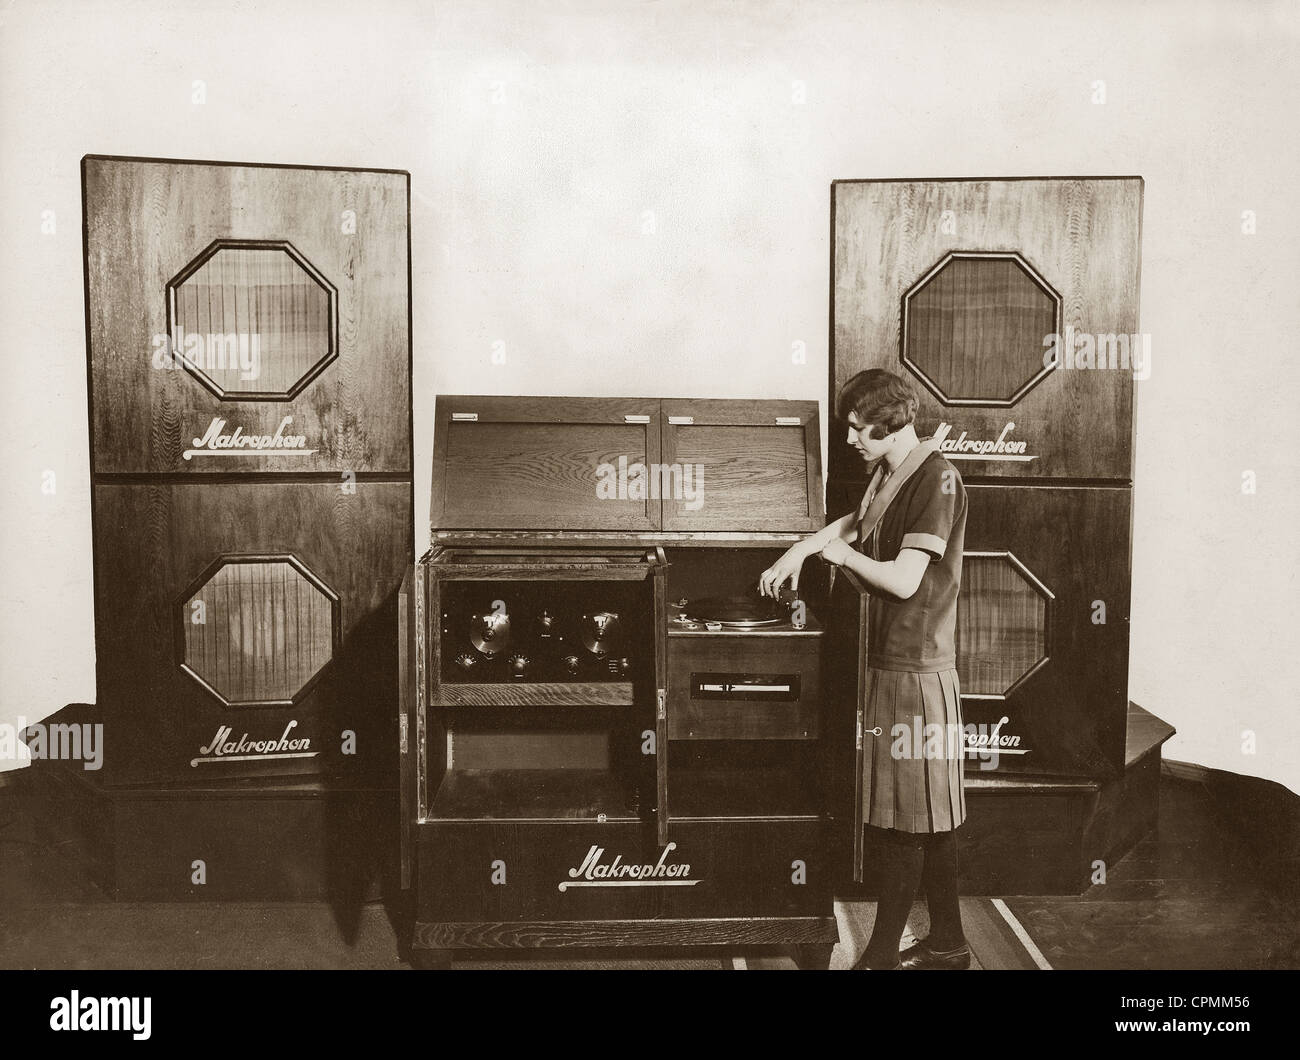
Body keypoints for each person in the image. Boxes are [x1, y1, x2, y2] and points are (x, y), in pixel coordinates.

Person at [759, 368, 970, 970]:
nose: (850, 438)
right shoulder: (891, 469)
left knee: (909, 820)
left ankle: (879, 958)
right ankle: (950, 944)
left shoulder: (938, 479)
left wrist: (838, 554)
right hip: (893, 666)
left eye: (858, 428)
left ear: (892, 423)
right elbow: (861, 521)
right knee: (931, 810)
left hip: (917, 673)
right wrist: (801, 548)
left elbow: (904, 580)